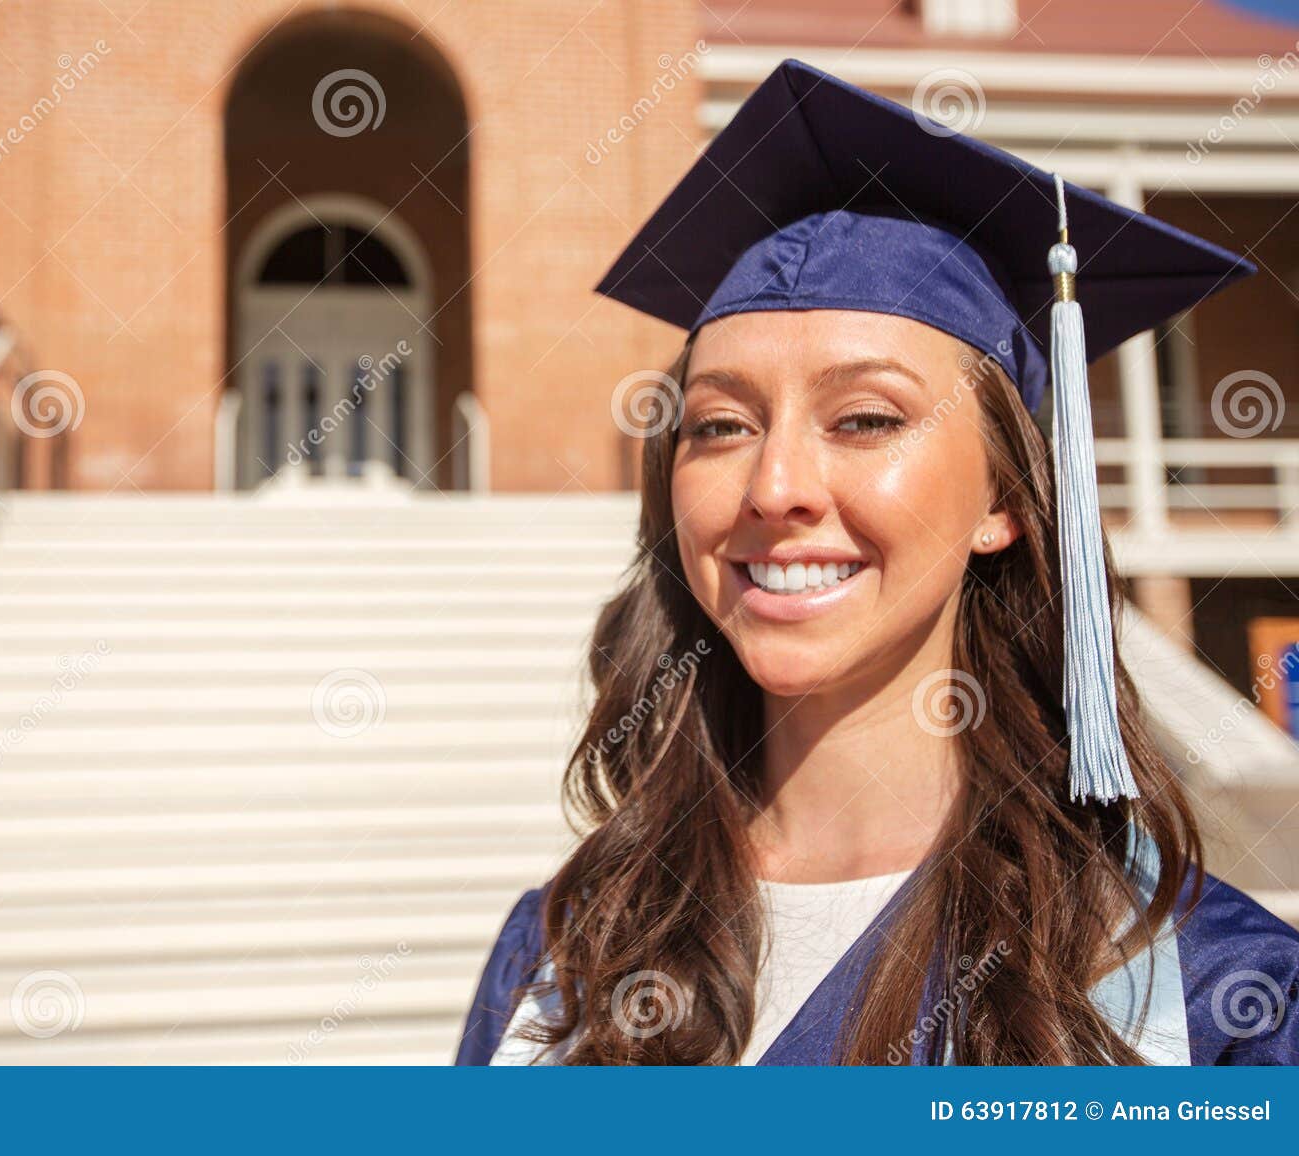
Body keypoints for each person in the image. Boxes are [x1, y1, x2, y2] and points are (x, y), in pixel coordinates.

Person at [455, 58, 1299, 1066]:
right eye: (720, 424)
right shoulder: (559, 961)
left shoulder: (1195, 987)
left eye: (864, 417)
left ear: (1003, 502)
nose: (774, 487)